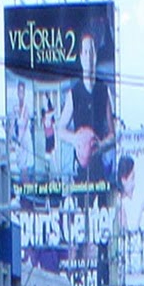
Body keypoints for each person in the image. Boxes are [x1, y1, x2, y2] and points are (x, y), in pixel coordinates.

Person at [56, 30, 115, 183]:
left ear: (95, 56)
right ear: (81, 57)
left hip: (98, 167)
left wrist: (100, 145)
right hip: (80, 169)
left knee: (103, 205)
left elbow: (113, 134)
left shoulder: (103, 91)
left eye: (92, 51)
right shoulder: (73, 93)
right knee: (80, 204)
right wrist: (75, 139)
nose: (89, 56)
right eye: (86, 51)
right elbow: (60, 129)